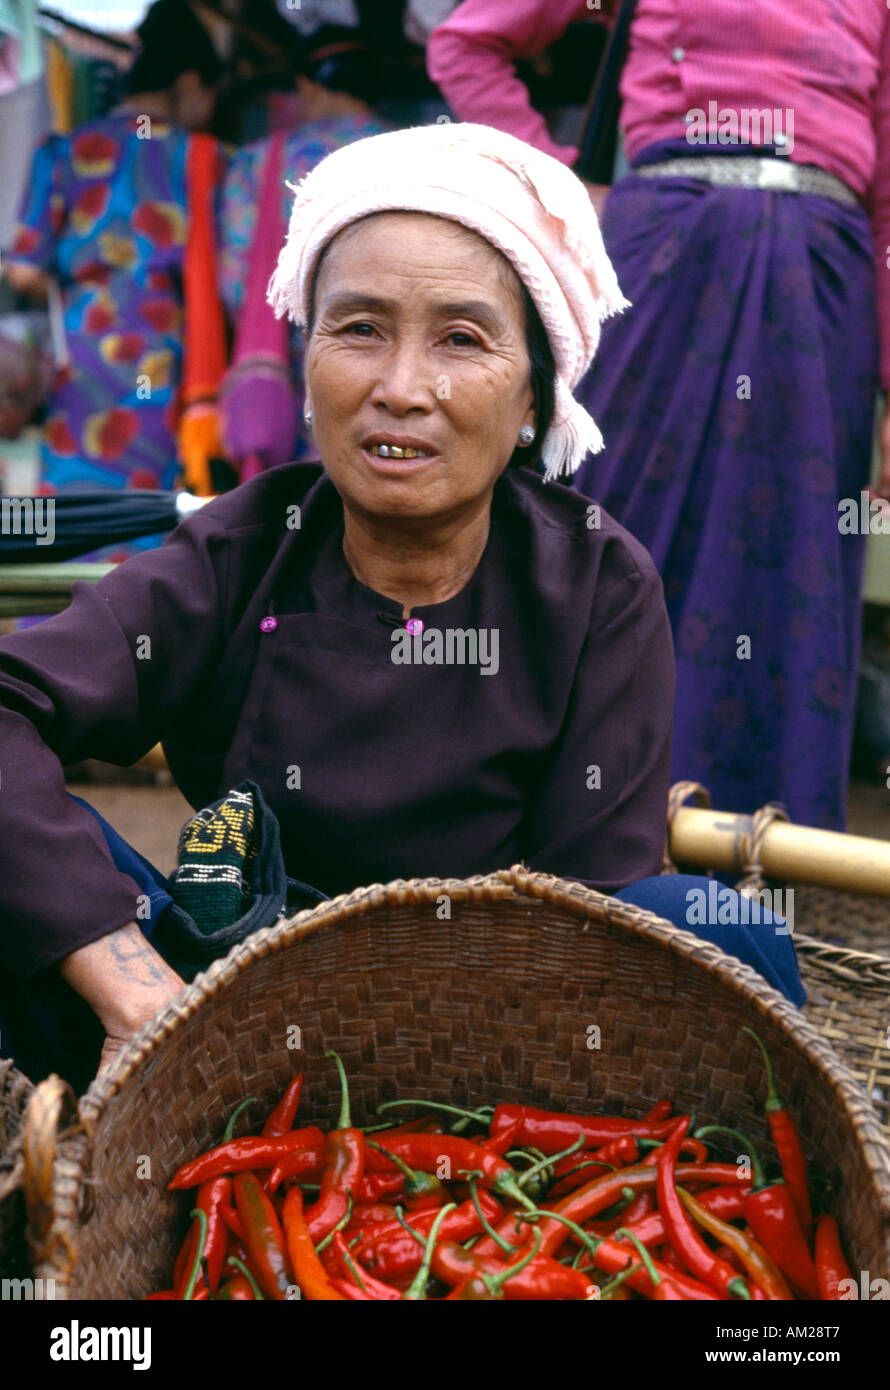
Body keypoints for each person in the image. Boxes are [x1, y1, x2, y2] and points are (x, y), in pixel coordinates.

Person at [0, 122, 804, 1091]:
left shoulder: (595, 583)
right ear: (306, 366)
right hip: (229, 1005)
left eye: (460, 340)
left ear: (532, 408)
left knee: (716, 934)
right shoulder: (241, 547)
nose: (400, 388)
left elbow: (586, 921)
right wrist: (136, 988)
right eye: (359, 328)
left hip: (500, 1029)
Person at [427, 0, 889, 833]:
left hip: (827, 276)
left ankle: (760, 855)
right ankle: (579, 833)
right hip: (663, 251)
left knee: (795, 562)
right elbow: (469, 43)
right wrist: (562, 185)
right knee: (618, 531)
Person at [2, 0, 223, 539]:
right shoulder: (205, 158)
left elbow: (23, 271)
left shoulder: (63, 152)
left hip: (80, 366)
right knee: (155, 518)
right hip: (166, 365)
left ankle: (63, 617)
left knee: (74, 520)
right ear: (190, 83)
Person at [217, 27, 390, 468]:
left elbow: (238, 284)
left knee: (292, 503)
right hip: (389, 357)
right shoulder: (420, 156)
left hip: (292, 369)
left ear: (308, 86)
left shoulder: (259, 161)